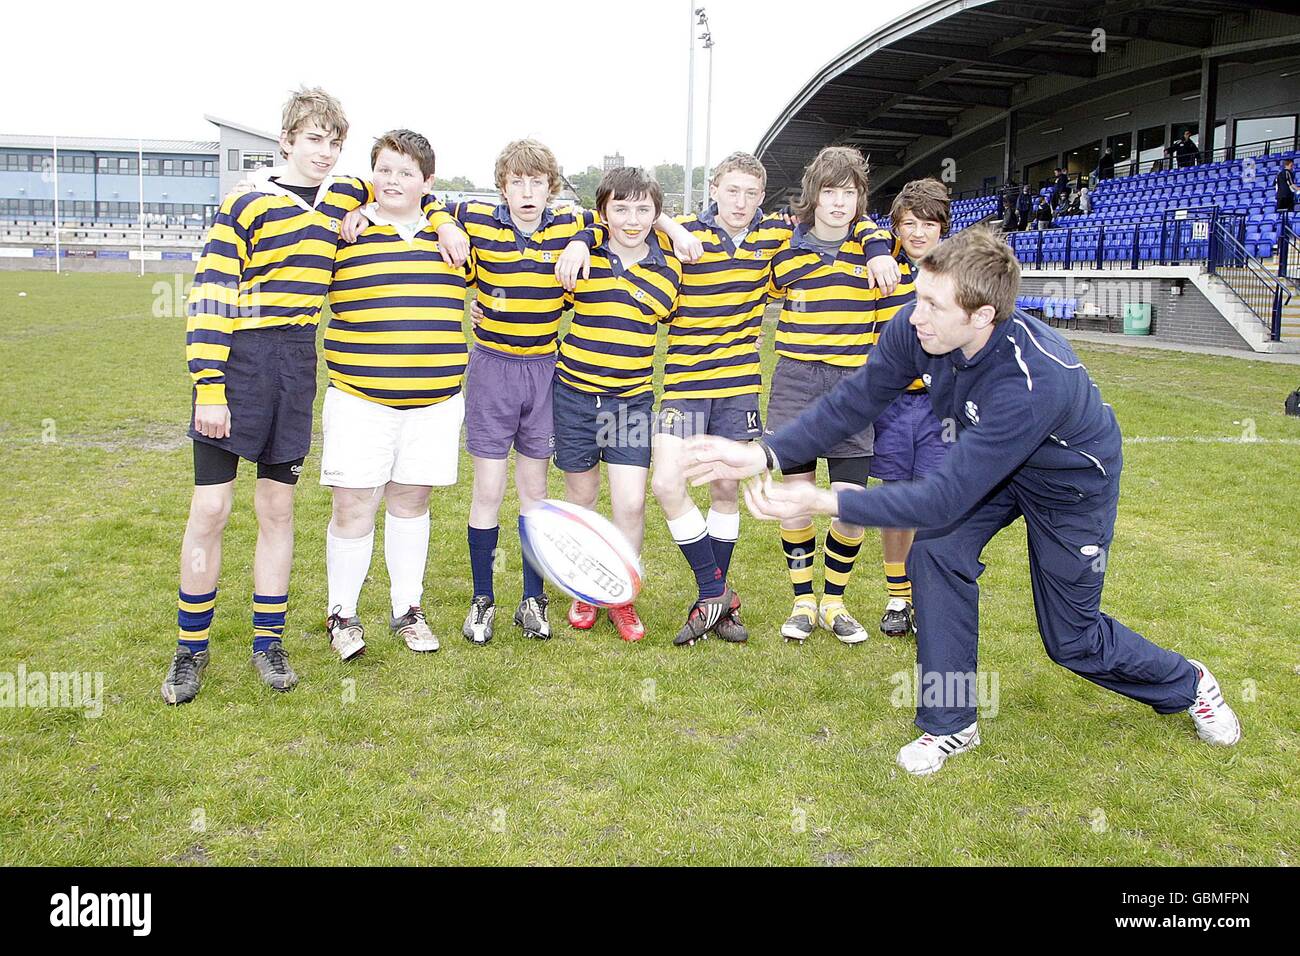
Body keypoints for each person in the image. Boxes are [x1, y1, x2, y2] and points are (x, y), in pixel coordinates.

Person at [685, 225, 1242, 775]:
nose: (915, 315)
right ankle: (951, 723)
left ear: (982, 316)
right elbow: (857, 399)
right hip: (989, 463)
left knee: (1072, 641)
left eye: (933, 305)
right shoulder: (919, 327)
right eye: (919, 296)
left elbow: (940, 499)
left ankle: (1189, 683)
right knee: (935, 553)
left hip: (1068, 487)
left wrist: (824, 501)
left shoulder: (1032, 379)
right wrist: (765, 454)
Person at [162, 88, 464, 704]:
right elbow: (211, 293)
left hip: (297, 363)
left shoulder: (343, 196)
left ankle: (267, 644)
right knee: (211, 510)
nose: (324, 151)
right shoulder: (246, 201)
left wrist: (440, 218)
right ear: (286, 141)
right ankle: (190, 649)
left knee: (277, 511)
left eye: (333, 141)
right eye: (312, 139)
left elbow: (406, 188)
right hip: (240, 360)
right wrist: (209, 385)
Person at [557, 152, 899, 647]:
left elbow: (841, 219)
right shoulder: (680, 235)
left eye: (751, 193)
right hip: (683, 384)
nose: (740, 202)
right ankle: (714, 591)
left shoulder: (776, 235)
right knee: (666, 484)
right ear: (713, 188)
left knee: (723, 490)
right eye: (731, 190)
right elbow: (616, 220)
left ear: (762, 197)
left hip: (739, 387)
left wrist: (876, 245)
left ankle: (713, 601)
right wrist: (588, 238)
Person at [320, 130, 472, 661]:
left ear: (427, 182)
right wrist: (357, 202)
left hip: (434, 402)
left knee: (411, 502)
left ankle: (408, 608)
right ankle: (342, 614)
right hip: (360, 398)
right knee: (353, 504)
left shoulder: (455, 237)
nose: (393, 181)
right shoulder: (346, 231)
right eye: (384, 170)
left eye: (406, 172)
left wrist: (442, 219)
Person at [765, 145, 897, 645]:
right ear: (813, 196)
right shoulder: (786, 247)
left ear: (860, 198)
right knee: (795, 500)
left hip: (851, 386)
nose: (840, 203)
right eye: (830, 192)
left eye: (850, 193)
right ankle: (803, 601)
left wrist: (874, 244)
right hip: (796, 380)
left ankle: (835, 602)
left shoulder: (876, 248)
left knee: (851, 504)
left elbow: (887, 236)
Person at [552, 167, 682, 641]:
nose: (631, 219)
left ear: (656, 214)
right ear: (603, 212)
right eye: (620, 208)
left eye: (643, 209)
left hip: (631, 403)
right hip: (574, 396)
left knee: (630, 502)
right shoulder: (581, 257)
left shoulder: (669, 270)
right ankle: (586, 587)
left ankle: (621, 593)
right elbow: (545, 305)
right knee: (582, 499)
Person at [866, 178, 951, 639]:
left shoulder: (958, 271)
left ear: (942, 228)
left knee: (934, 503)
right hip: (893, 404)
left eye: (928, 224)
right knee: (896, 500)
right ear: (896, 226)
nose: (918, 233)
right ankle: (897, 598)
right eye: (909, 223)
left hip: (942, 404)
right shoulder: (882, 266)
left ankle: (928, 596)